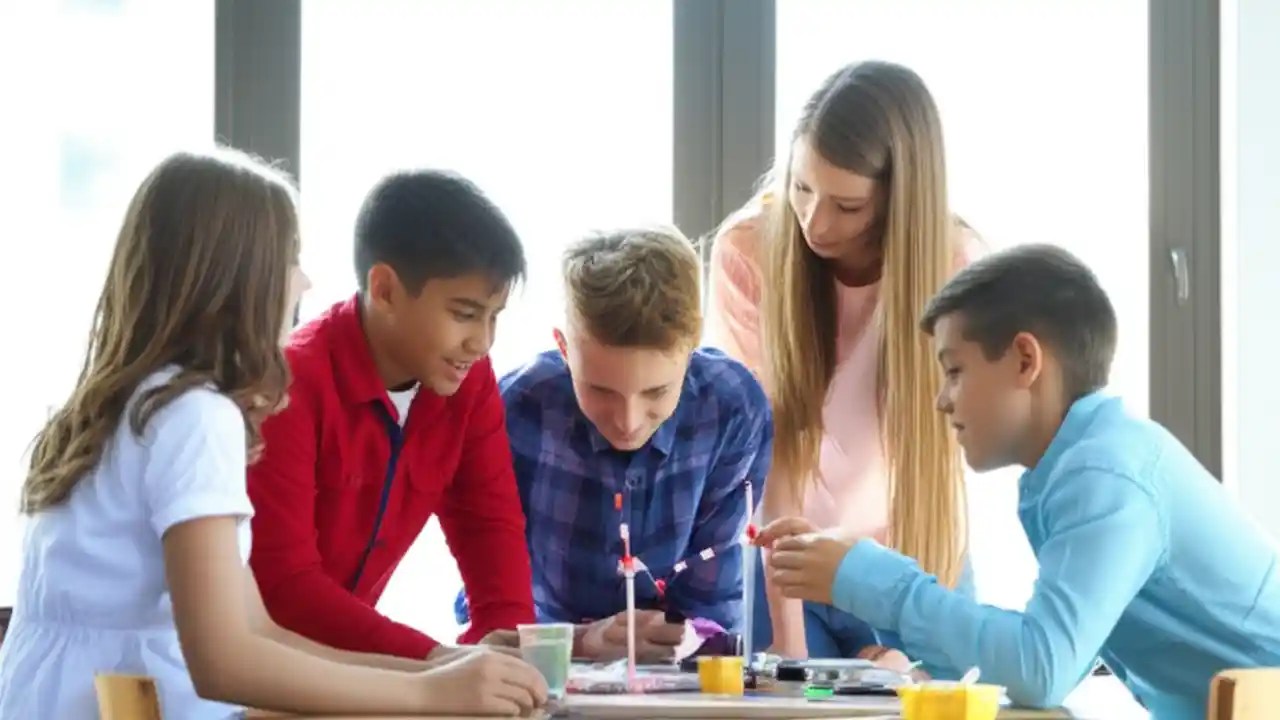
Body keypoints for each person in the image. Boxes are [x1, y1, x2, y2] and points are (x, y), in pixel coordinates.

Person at [0, 150, 547, 719]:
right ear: (238, 276)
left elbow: (259, 630)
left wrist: (438, 669)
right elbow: (224, 664)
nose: (305, 279)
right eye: (289, 259)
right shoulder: (195, 416)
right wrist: (430, 690)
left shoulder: (142, 398)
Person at [758, 244, 1280, 719]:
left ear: (1026, 360)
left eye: (955, 371)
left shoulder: (1105, 474)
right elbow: (1021, 665)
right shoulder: (1081, 466)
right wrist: (855, 575)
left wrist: (876, 580)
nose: (941, 399)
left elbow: (1041, 668)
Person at [705, 60, 980, 666]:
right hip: (784, 562)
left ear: (898, 200)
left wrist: (895, 638)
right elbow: (761, 451)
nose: (814, 223)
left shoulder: (956, 262)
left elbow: (937, 462)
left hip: (912, 556)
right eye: (802, 189)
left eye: (847, 206)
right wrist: (788, 635)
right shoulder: (747, 251)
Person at [245, 170, 537, 661]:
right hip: (256, 676)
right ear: (384, 290)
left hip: (352, 673)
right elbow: (285, 588)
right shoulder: (289, 387)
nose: (482, 342)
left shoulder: (469, 382)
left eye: (494, 316)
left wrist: (512, 662)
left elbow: (491, 528)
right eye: (464, 314)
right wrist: (438, 662)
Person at [454, 226, 773, 662]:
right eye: (601, 391)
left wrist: (676, 640)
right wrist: (580, 643)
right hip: (546, 667)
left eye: (656, 392)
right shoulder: (516, 410)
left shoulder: (734, 411)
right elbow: (488, 612)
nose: (627, 422)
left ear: (692, 346)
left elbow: (712, 600)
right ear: (564, 348)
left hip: (673, 671)